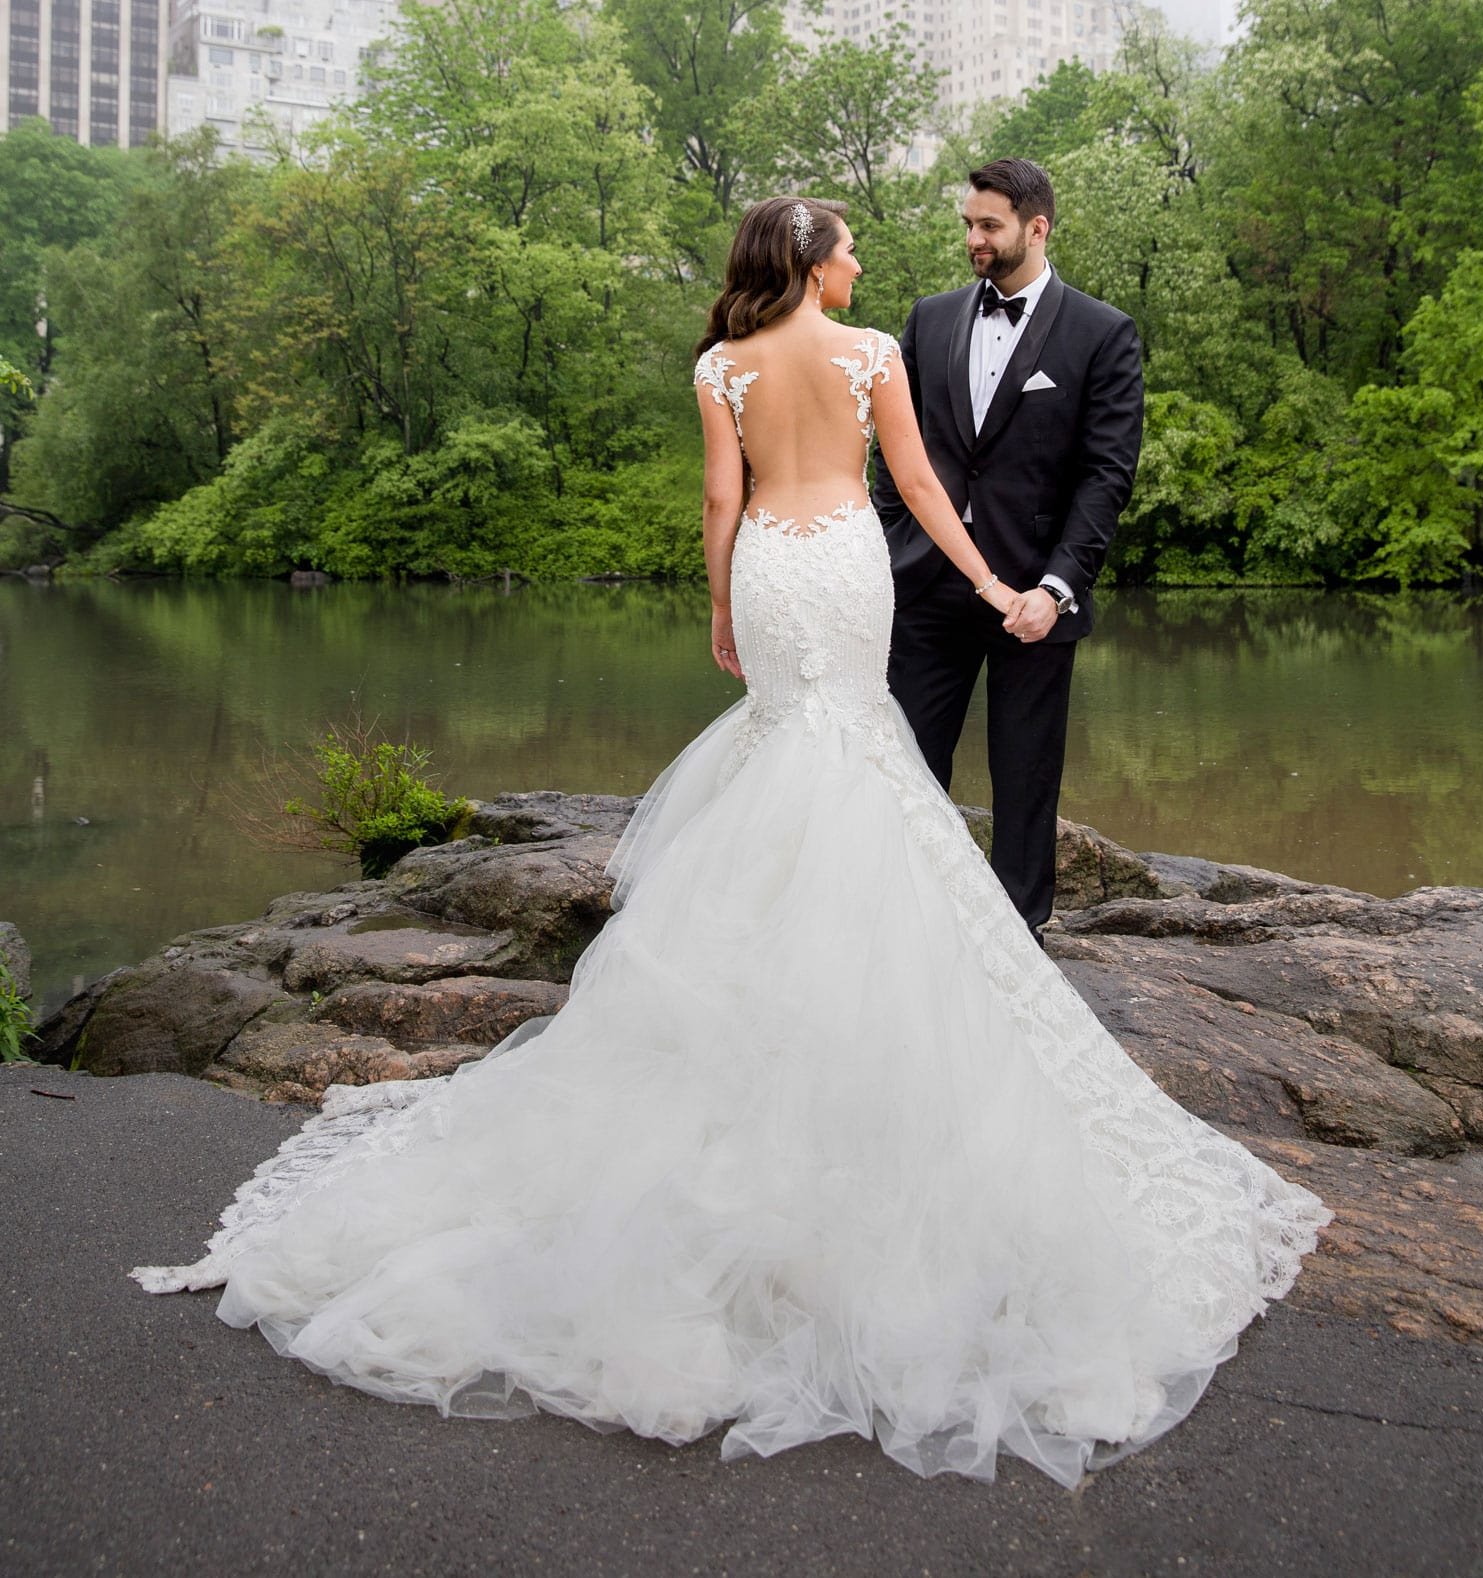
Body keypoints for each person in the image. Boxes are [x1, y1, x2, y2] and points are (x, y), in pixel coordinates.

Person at [135, 194, 1327, 1488]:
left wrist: (719, 608)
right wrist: (993, 587)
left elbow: (721, 497)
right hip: (852, 571)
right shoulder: (873, 351)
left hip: (772, 569)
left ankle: (755, 1016)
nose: (866, 260)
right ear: (814, 265)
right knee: (863, 759)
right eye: (848, 246)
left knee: (786, 758)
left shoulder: (719, 365)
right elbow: (919, 487)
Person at [873, 158, 1143, 945]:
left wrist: (1056, 587)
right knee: (908, 761)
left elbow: (1106, 474)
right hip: (928, 584)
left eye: (988, 225)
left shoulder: (1103, 332)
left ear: (1037, 226)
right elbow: (899, 453)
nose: (973, 239)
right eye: (967, 224)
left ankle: (1019, 935)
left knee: (1025, 776)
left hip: (1033, 595)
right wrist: (899, 540)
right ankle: (905, 919)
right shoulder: (929, 318)